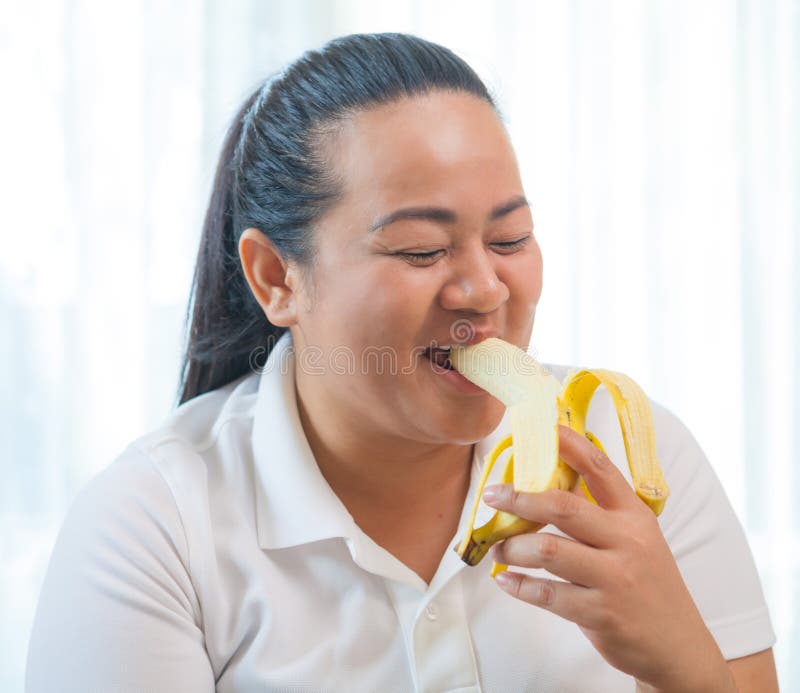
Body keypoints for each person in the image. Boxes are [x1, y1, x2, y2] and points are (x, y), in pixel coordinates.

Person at [25, 32, 778, 692]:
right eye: (421, 250)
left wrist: (685, 667)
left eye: (510, 239)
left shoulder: (636, 456)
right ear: (277, 278)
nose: (484, 288)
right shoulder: (153, 529)